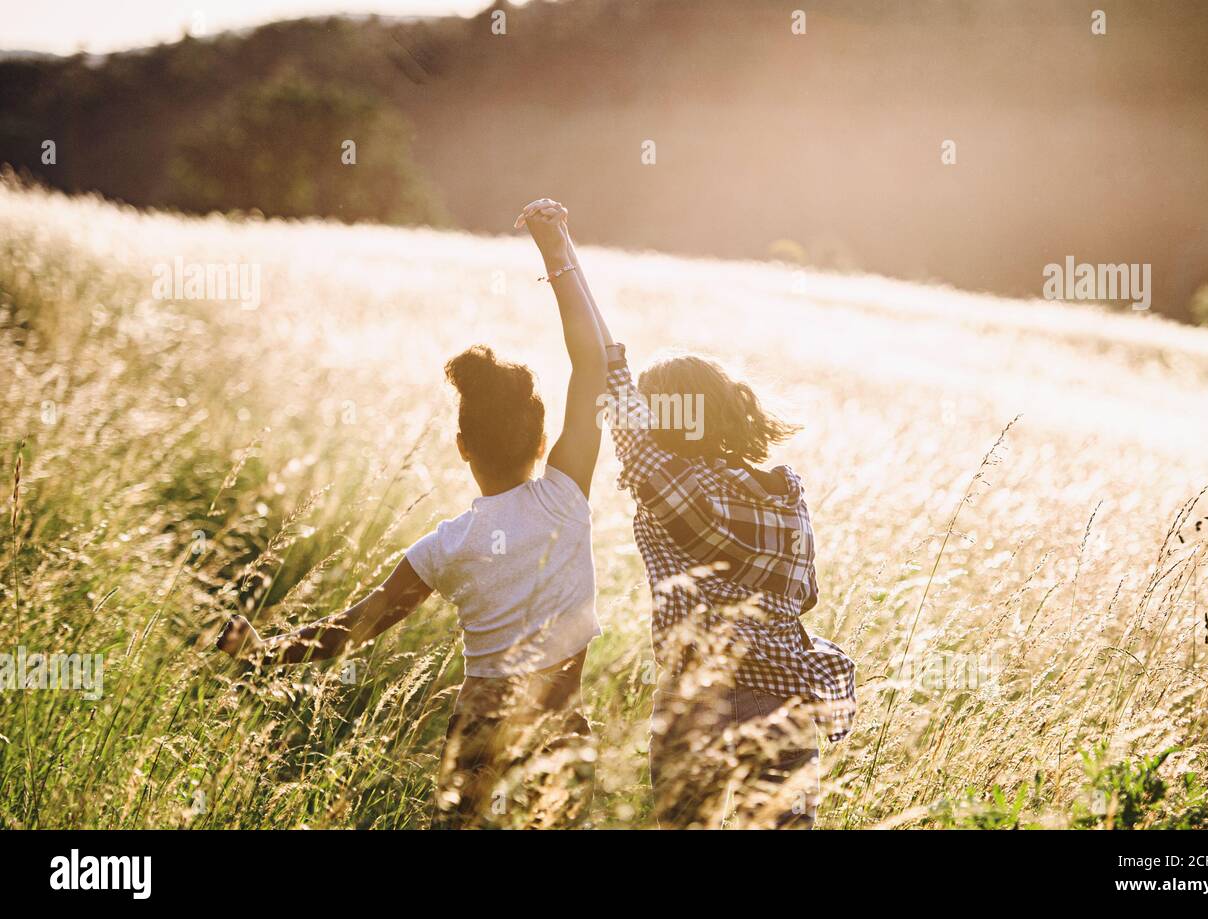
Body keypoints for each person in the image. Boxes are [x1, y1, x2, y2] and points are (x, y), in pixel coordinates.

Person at [215, 197, 608, 828]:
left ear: (461, 448)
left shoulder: (446, 548)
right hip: (562, 732)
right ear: (542, 444)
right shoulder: (566, 496)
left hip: (479, 738)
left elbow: (350, 631)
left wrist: (263, 653)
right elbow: (592, 364)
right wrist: (556, 247)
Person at [554, 220, 857, 828]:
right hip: (789, 697)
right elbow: (806, 596)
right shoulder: (783, 492)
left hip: (703, 697)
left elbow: (607, 366)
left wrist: (559, 251)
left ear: (659, 417)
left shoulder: (667, 484)